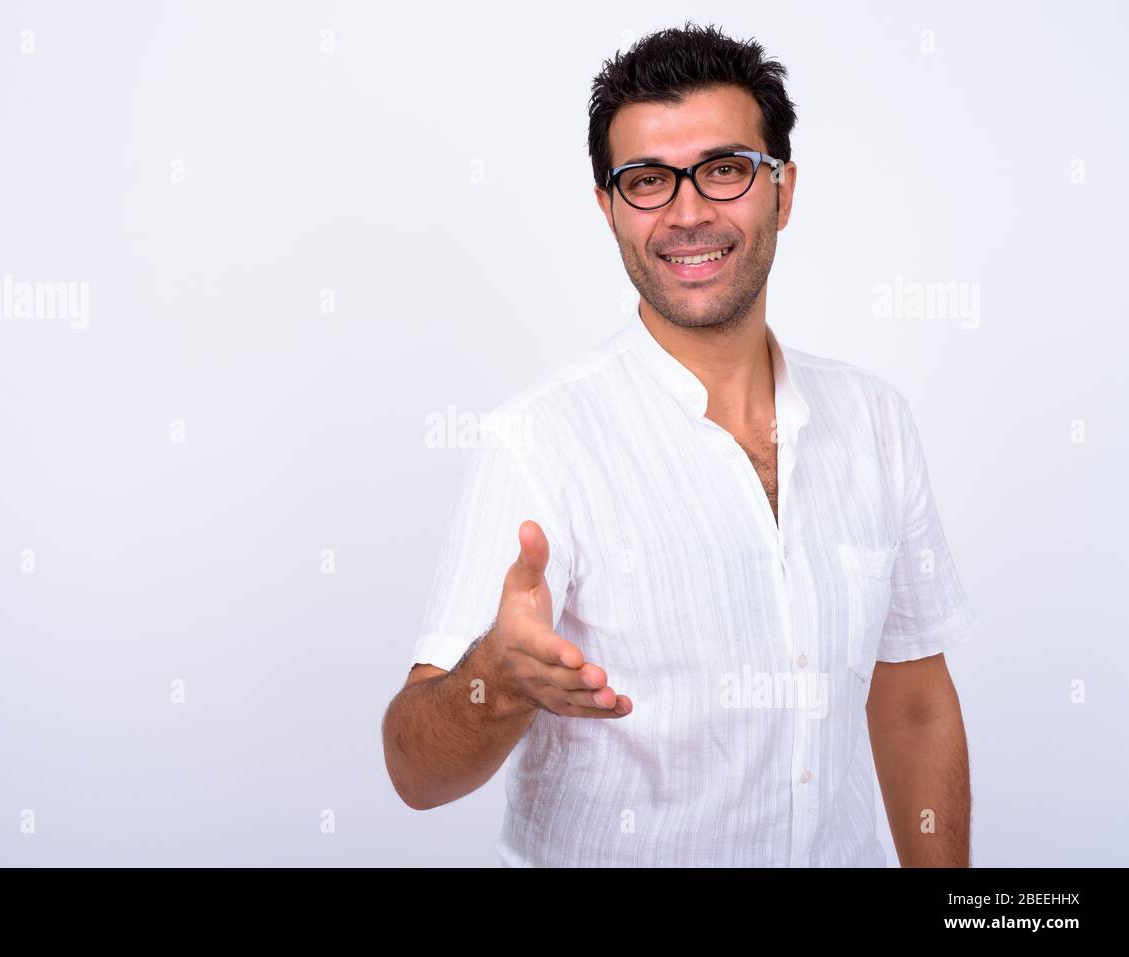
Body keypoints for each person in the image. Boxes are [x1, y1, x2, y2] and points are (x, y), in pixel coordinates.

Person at [382, 22, 977, 867]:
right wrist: (496, 680)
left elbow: (915, 700)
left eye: (725, 169)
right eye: (649, 180)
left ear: (784, 189)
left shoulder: (876, 421)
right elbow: (413, 770)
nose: (689, 212)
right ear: (609, 209)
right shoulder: (540, 443)